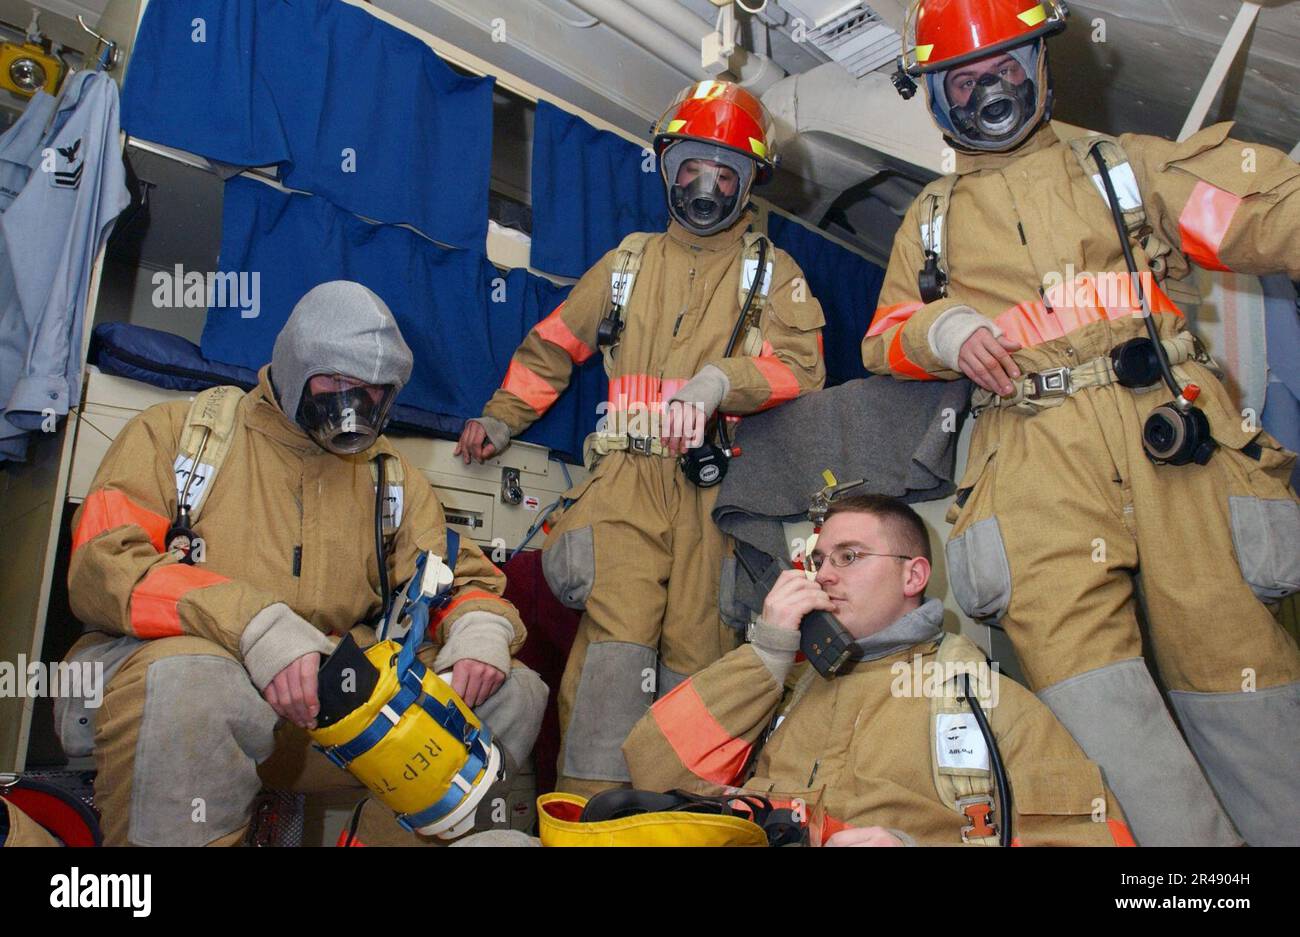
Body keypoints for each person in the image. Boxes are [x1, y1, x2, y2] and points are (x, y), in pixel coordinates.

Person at [863, 0, 1300, 845]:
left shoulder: (1123, 170)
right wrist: (942, 329)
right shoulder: (932, 219)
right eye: (966, 78)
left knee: (1243, 682)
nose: (990, 89)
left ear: (1042, 67)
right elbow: (884, 338)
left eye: (1006, 68)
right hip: (1030, 461)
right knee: (1099, 718)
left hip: (1168, 437)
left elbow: (1265, 213)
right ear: (933, 94)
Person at [59, 281, 548, 846]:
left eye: (373, 390)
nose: (354, 404)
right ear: (295, 367)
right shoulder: (179, 434)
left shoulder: (390, 478)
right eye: (337, 381)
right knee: (199, 681)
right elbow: (103, 564)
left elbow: (450, 580)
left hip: (326, 707)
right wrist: (255, 626)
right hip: (170, 690)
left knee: (511, 692)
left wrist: (480, 629)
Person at [456, 80, 826, 795]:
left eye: (727, 171)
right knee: (614, 658)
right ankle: (587, 820)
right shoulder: (626, 264)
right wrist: (501, 416)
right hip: (624, 482)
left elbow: (803, 370)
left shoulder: (775, 275)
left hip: (717, 491)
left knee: (699, 655)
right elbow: (553, 346)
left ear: (750, 182)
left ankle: (675, 816)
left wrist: (720, 381)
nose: (707, 185)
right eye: (693, 164)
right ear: (666, 166)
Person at [623, 495, 1134, 846]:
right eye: (819, 560)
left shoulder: (987, 703)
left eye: (850, 556)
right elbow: (651, 771)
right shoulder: (780, 687)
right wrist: (767, 651)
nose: (823, 574)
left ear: (913, 574)